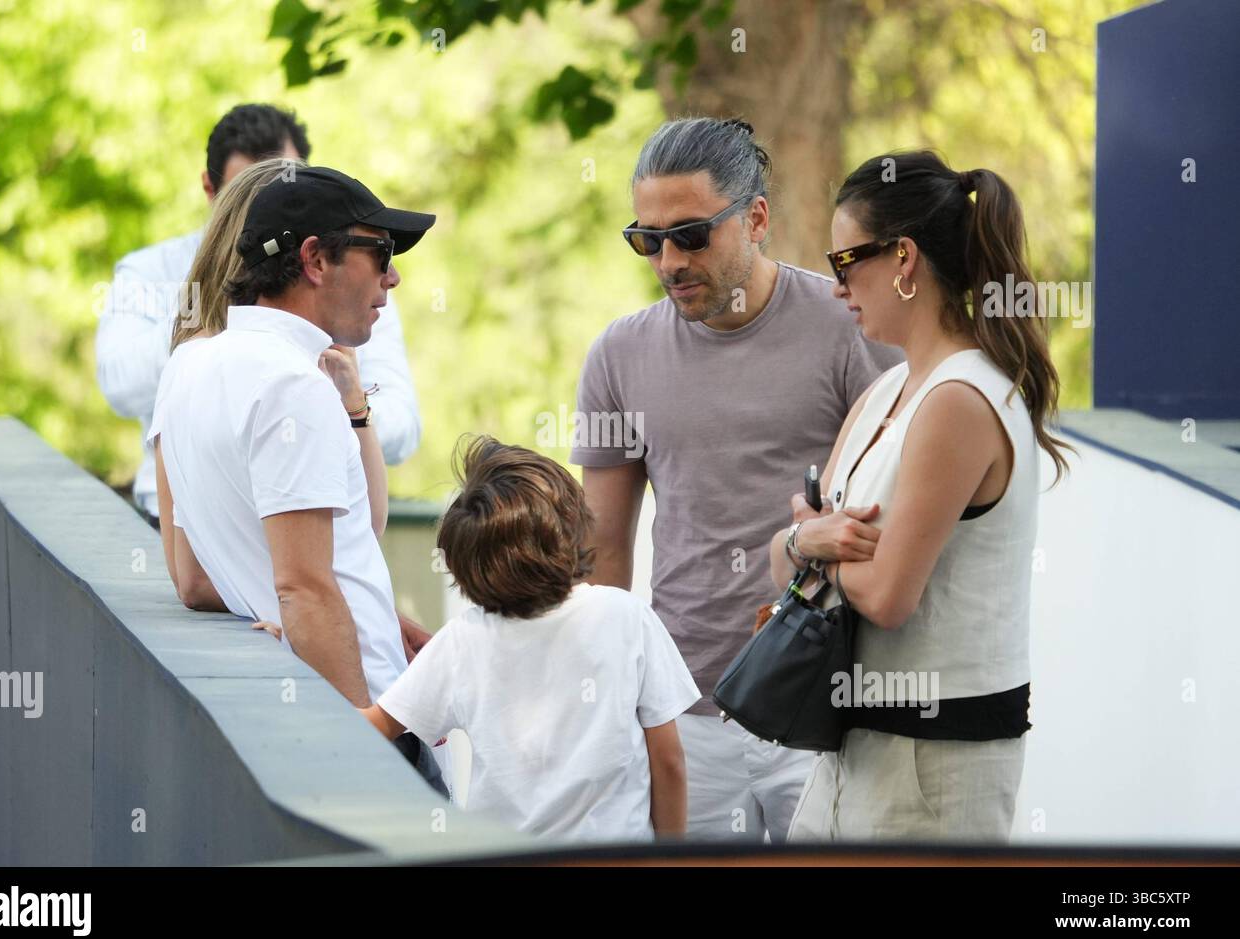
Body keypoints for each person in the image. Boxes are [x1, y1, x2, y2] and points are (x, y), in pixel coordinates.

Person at [570, 117, 902, 842]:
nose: (667, 260)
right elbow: (602, 558)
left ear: (756, 218)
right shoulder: (617, 356)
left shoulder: (852, 327)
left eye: (691, 235)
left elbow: (895, 518)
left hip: (829, 707)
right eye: (646, 239)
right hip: (684, 708)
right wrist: (611, 704)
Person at [770, 151, 1073, 842]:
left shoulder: (959, 400)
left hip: (932, 766)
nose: (835, 284)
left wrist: (814, 547)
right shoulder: (886, 391)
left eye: (845, 261)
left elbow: (887, 596)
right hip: (850, 753)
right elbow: (784, 561)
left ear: (903, 258)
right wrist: (804, 543)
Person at [146, 165, 445, 791]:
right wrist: (368, 752)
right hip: (361, 723)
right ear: (314, 258)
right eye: (381, 252)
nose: (393, 276)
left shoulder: (189, 366)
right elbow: (306, 588)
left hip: (297, 714)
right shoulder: (291, 385)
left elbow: (197, 583)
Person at [97, 104, 422, 527]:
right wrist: (229, 304)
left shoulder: (356, 287)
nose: (271, 212)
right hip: (175, 524)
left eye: (286, 190)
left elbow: (402, 428)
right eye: (247, 197)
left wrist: (343, 409)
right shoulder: (150, 274)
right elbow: (118, 384)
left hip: (323, 518)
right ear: (211, 192)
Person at [361, 436, 700, 841]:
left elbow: (374, 726)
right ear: (570, 523)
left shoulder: (463, 639)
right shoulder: (626, 617)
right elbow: (669, 762)